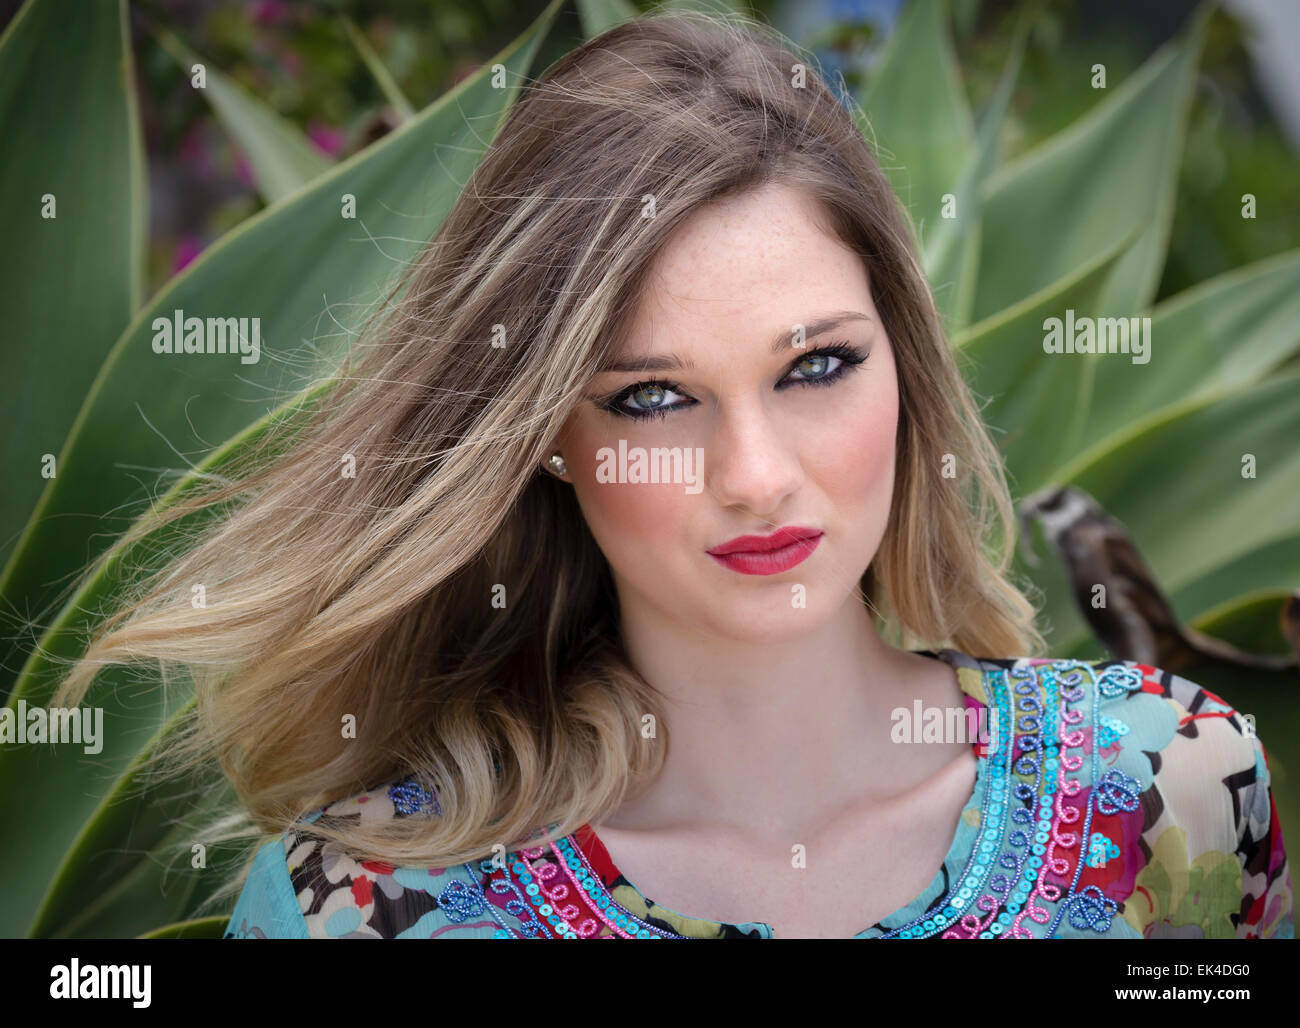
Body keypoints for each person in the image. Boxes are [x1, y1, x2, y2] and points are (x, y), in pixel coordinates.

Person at [56, 10, 1292, 940]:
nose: (754, 475)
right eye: (655, 397)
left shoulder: (1176, 782)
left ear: (904, 369)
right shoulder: (367, 905)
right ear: (545, 434)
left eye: (816, 367)